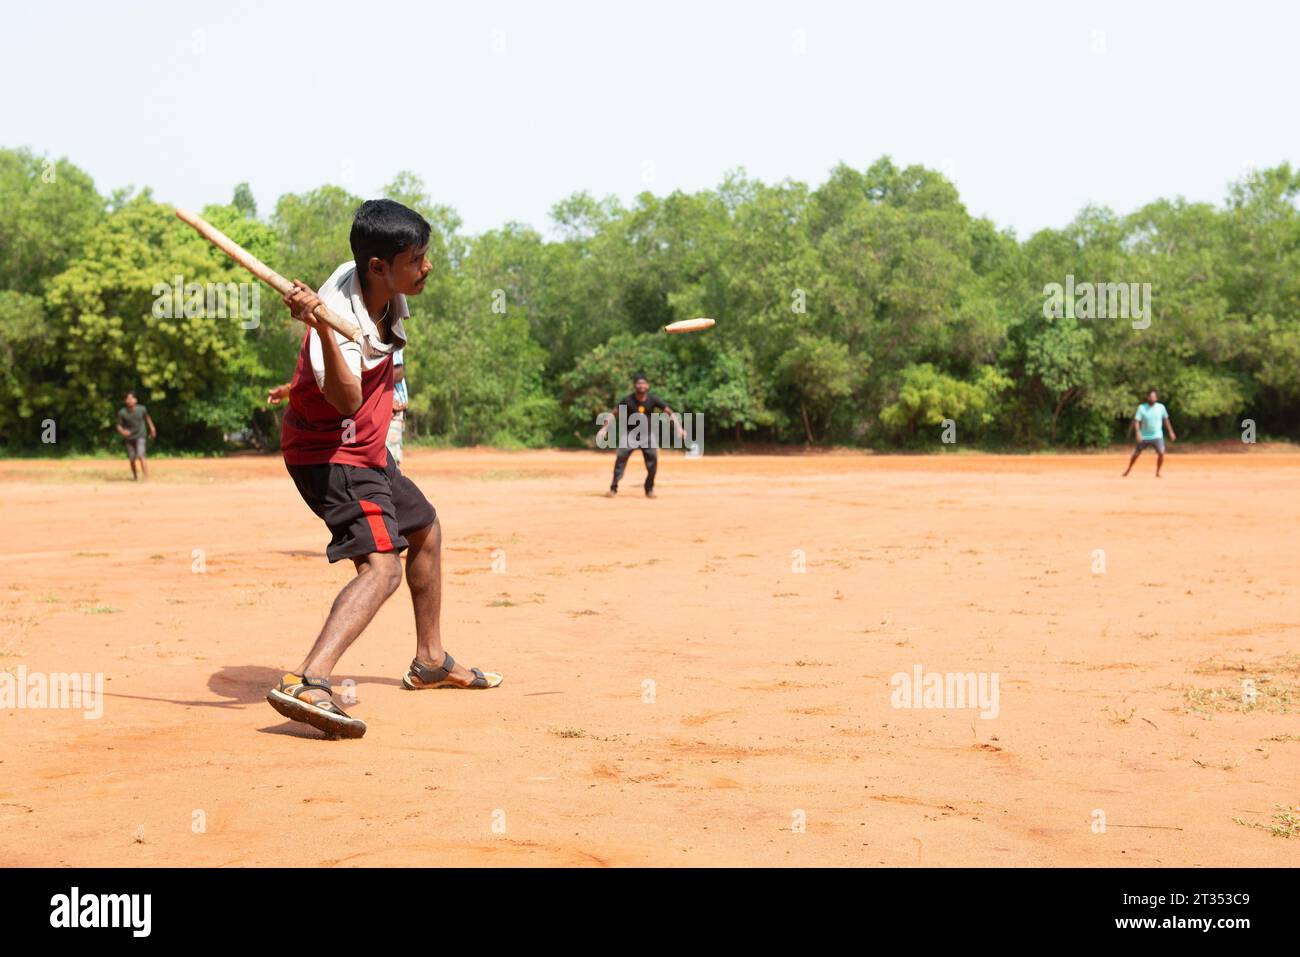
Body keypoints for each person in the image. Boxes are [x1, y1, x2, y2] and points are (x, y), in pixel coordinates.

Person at [266, 199, 501, 740]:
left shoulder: (385, 290)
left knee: (425, 529)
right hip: (334, 454)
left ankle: (430, 660)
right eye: (416, 259)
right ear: (379, 267)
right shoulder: (337, 317)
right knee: (382, 568)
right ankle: (309, 679)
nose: (427, 267)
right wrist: (322, 329)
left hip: (370, 449)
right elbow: (346, 401)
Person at [596, 373, 686, 498]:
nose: (641, 385)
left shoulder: (653, 399)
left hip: (647, 436)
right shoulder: (628, 400)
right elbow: (613, 414)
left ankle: (649, 489)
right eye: (638, 383)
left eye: (643, 383)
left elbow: (669, 412)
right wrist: (604, 428)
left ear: (647, 385)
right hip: (630, 435)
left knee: (653, 462)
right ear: (635, 386)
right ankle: (613, 488)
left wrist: (679, 427)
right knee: (620, 460)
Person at [1123, 389, 1177, 478]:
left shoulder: (1161, 407)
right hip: (1144, 435)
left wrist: (1171, 432)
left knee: (1161, 452)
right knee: (1136, 454)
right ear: (1148, 397)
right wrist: (1137, 433)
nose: (1152, 398)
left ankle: (1158, 472)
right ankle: (1128, 469)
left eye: (1154, 396)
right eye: (1151, 396)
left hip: (1157, 435)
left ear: (1156, 398)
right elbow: (1136, 421)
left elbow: (1166, 420)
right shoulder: (1141, 407)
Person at [114, 391, 156, 481]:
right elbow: (118, 425)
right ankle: (135, 477)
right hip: (129, 438)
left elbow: (147, 418)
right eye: (127, 399)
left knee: (141, 455)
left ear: (135, 400)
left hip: (141, 435)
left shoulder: (142, 409)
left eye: (131, 398)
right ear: (125, 401)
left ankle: (146, 477)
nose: (129, 400)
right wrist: (123, 432)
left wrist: (152, 428)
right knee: (132, 459)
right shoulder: (122, 413)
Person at [387, 348, 408, 465]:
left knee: (391, 464)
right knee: (390, 466)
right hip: (390, 411)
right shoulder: (388, 332)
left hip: (393, 410)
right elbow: (398, 371)